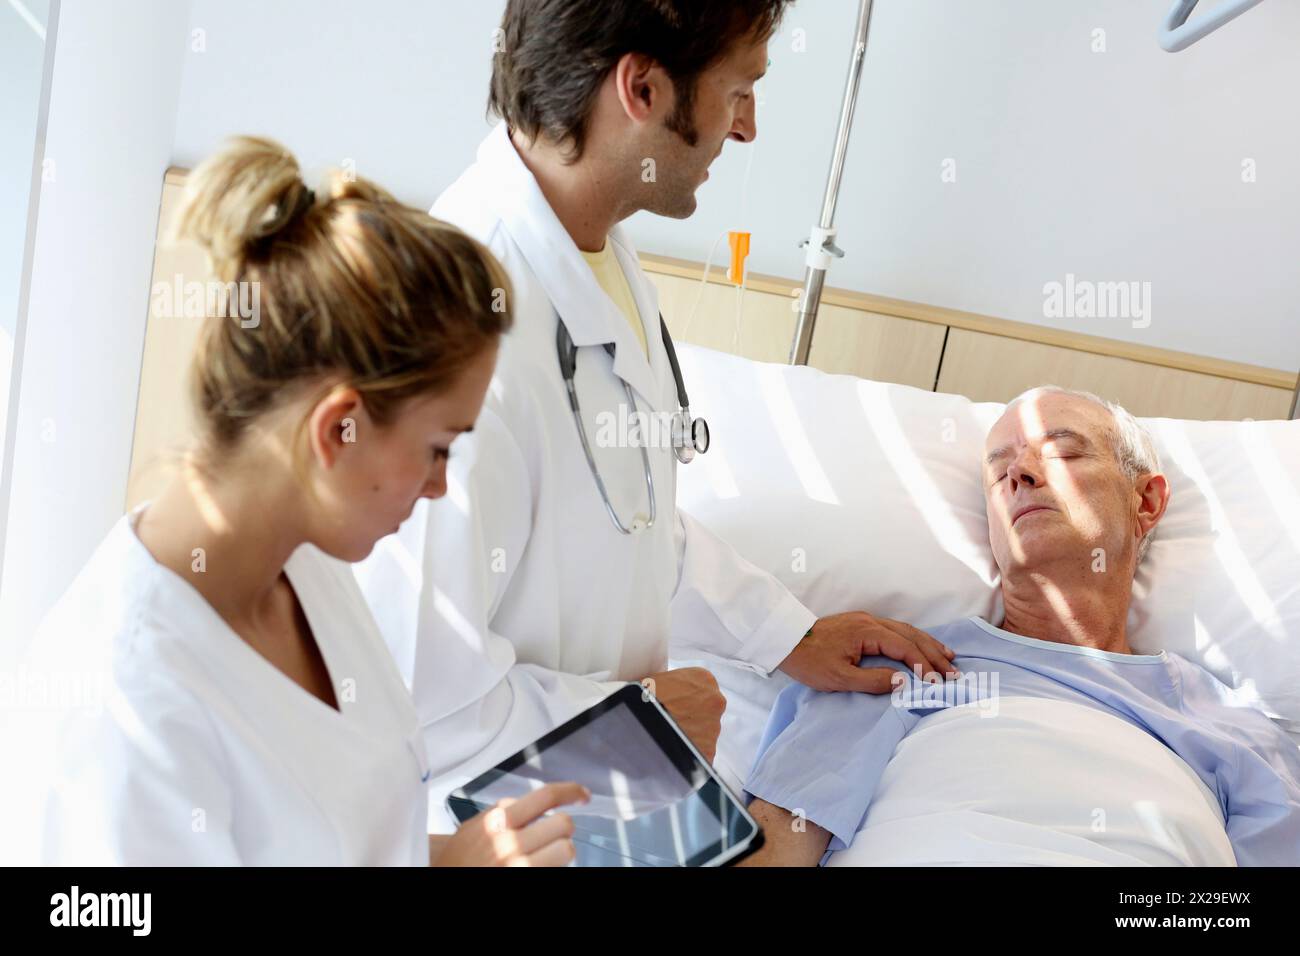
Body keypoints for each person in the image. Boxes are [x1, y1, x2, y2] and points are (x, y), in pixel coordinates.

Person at [356, 0, 958, 830]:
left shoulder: (595, 252)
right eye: (739, 90)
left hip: (597, 804)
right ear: (641, 86)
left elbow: (633, 518)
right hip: (477, 829)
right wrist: (638, 716)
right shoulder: (460, 333)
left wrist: (787, 634)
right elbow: (423, 697)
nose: (745, 128)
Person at [18, 136, 587, 866]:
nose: (441, 485)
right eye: (439, 447)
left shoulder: (307, 569)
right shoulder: (122, 712)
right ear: (337, 428)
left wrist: (458, 859)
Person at [741, 387, 1300, 866]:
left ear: (1146, 502)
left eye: (1061, 452)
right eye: (998, 471)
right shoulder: (899, 667)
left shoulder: (1234, 730)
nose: (1020, 474)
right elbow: (773, 850)